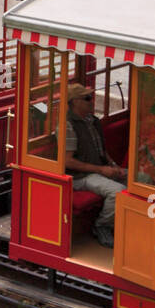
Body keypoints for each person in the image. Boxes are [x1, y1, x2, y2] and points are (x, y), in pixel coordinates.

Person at [64, 83, 125, 248]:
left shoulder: (92, 121)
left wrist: (114, 165)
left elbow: (102, 150)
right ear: (75, 102)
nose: (92, 101)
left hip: (98, 169)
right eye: (87, 98)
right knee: (118, 192)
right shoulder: (68, 126)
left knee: (137, 180)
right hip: (80, 177)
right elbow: (67, 161)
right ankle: (102, 226)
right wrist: (102, 170)